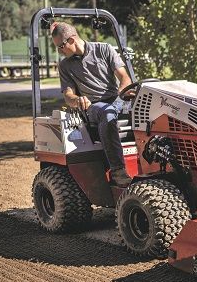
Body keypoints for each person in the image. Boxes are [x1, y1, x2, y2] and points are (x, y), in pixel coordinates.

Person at [51, 22, 135, 187]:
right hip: (92, 107)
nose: (59, 51)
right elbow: (68, 95)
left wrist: (121, 93)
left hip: (117, 99)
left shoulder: (104, 49)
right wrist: (77, 100)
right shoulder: (65, 66)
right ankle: (118, 171)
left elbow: (125, 78)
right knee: (108, 113)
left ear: (71, 40)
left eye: (60, 46)